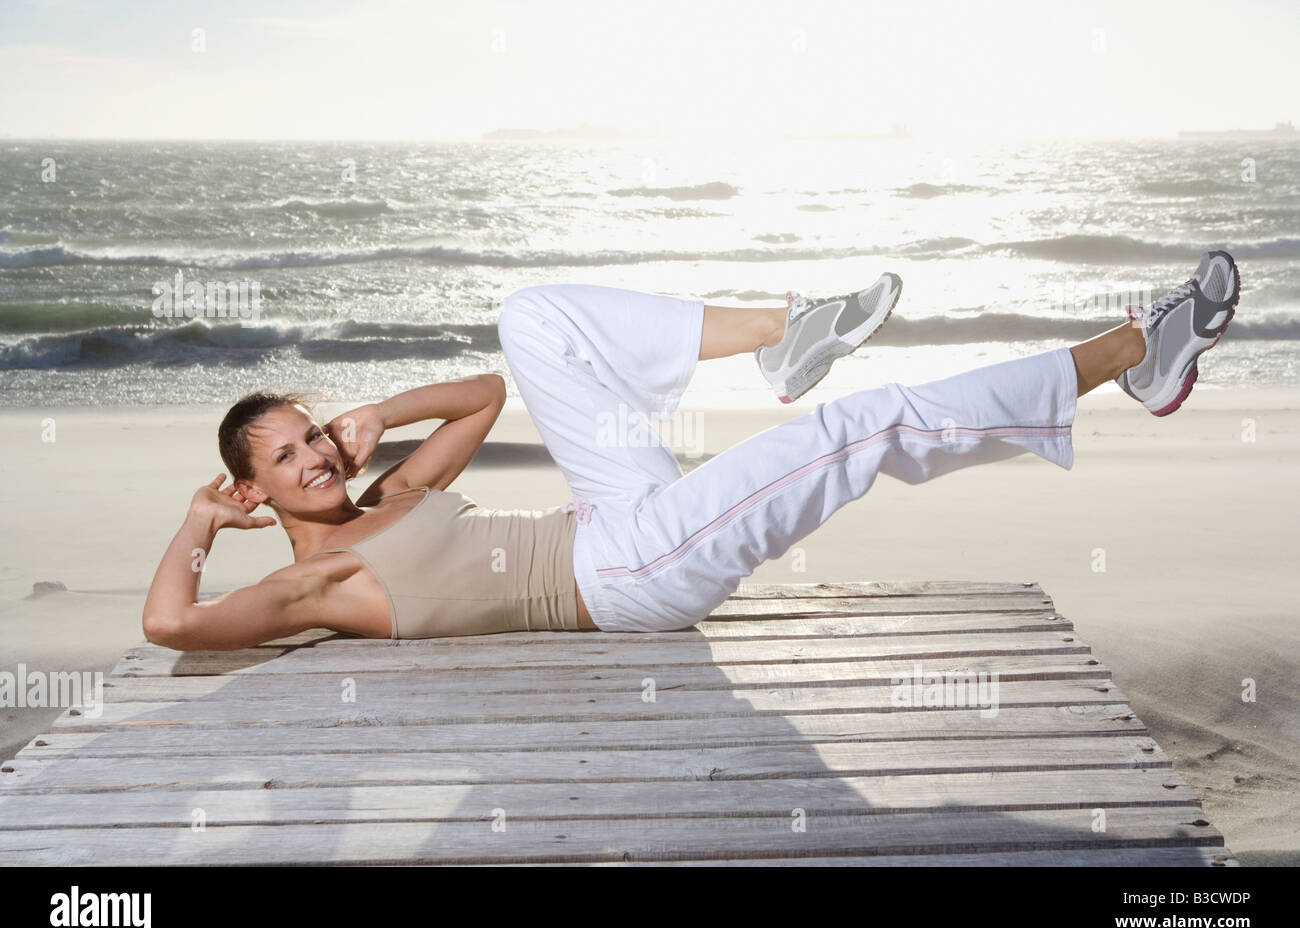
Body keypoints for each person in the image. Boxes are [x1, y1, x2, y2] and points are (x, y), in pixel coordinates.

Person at [141, 251, 1240, 649]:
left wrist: (379, 408)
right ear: (252, 488)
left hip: (614, 516)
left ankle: (781, 335)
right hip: (628, 576)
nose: (317, 459)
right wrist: (197, 524)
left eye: (309, 435)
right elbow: (173, 623)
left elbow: (486, 391)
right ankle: (1138, 353)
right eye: (288, 459)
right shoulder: (312, 579)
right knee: (863, 427)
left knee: (530, 315)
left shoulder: (389, 488)